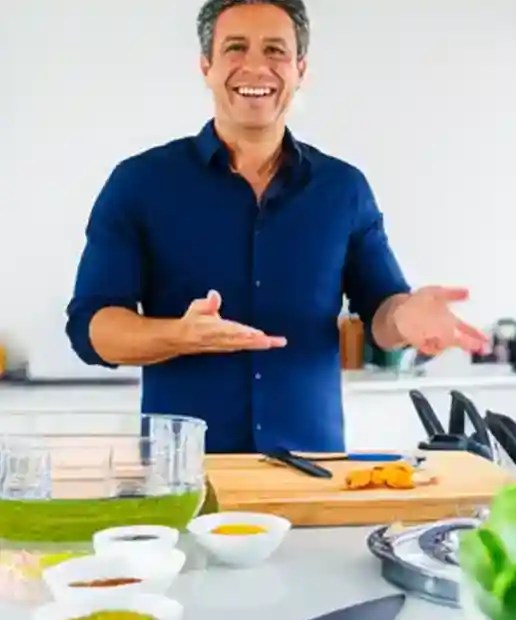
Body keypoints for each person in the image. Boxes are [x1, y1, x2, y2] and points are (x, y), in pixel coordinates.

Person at [65, 0, 487, 454]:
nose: (255, 67)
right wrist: (178, 336)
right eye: (235, 48)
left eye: (275, 50)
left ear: (300, 68)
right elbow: (91, 328)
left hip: (312, 469)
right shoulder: (140, 183)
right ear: (205, 65)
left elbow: (380, 315)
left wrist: (405, 316)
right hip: (185, 477)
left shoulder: (343, 189)